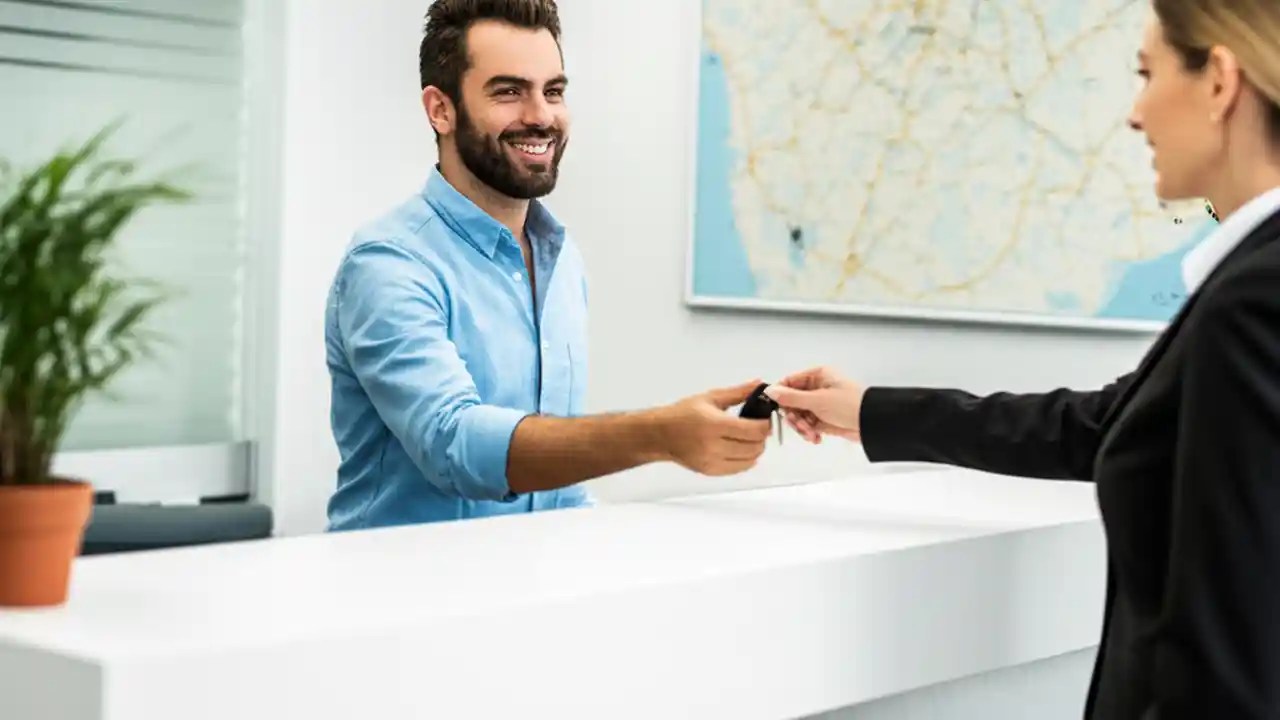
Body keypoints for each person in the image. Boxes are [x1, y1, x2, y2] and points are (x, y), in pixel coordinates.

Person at [766, 2, 1280, 718]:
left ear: (1220, 81)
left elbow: (1228, 664)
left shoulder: (1253, 304)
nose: (1135, 115)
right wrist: (870, 411)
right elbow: (1102, 424)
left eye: (1147, 74)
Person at [324, 0, 770, 531]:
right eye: (509, 91)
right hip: (402, 601)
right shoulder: (388, 263)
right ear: (440, 109)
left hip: (532, 593)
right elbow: (454, 445)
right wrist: (658, 435)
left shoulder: (561, 257)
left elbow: (555, 483)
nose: (541, 115)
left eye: (553, 91)